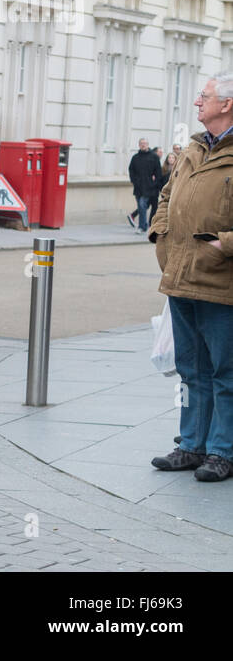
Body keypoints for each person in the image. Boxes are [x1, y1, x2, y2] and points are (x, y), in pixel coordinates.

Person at [149, 73, 233, 482]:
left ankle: (222, 451)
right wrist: (160, 234)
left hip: (222, 282)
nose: (198, 103)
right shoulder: (194, 148)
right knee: (191, 369)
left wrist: (224, 246)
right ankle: (191, 446)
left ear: (227, 104)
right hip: (181, 275)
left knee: (225, 372)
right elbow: (166, 195)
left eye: (205, 97)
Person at [127, 138, 160, 232]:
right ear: (139, 145)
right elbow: (131, 170)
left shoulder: (154, 157)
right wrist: (134, 181)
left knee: (142, 205)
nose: (143, 145)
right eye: (141, 143)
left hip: (149, 187)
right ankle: (144, 225)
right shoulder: (135, 157)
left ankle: (142, 226)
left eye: (145, 143)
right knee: (141, 206)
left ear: (148, 145)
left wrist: (154, 183)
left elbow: (158, 172)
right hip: (138, 187)